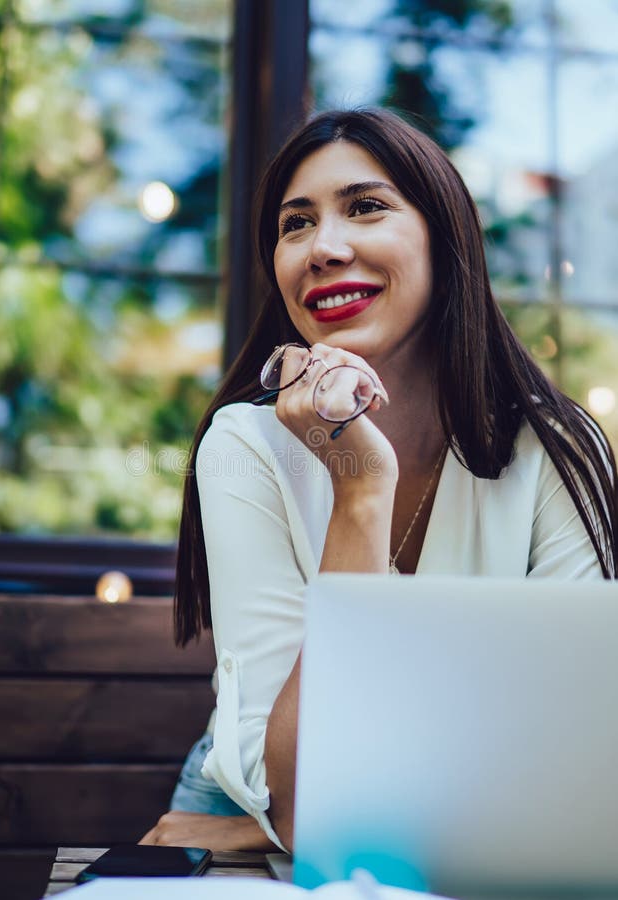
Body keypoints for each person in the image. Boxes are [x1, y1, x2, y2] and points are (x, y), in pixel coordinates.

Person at [140, 107, 618, 853]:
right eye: (295, 225)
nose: (323, 248)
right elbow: (310, 807)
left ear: (444, 237)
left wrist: (258, 835)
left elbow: (563, 759)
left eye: (364, 207)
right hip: (265, 791)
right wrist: (359, 489)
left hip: (410, 826)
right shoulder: (243, 444)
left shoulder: (555, 449)